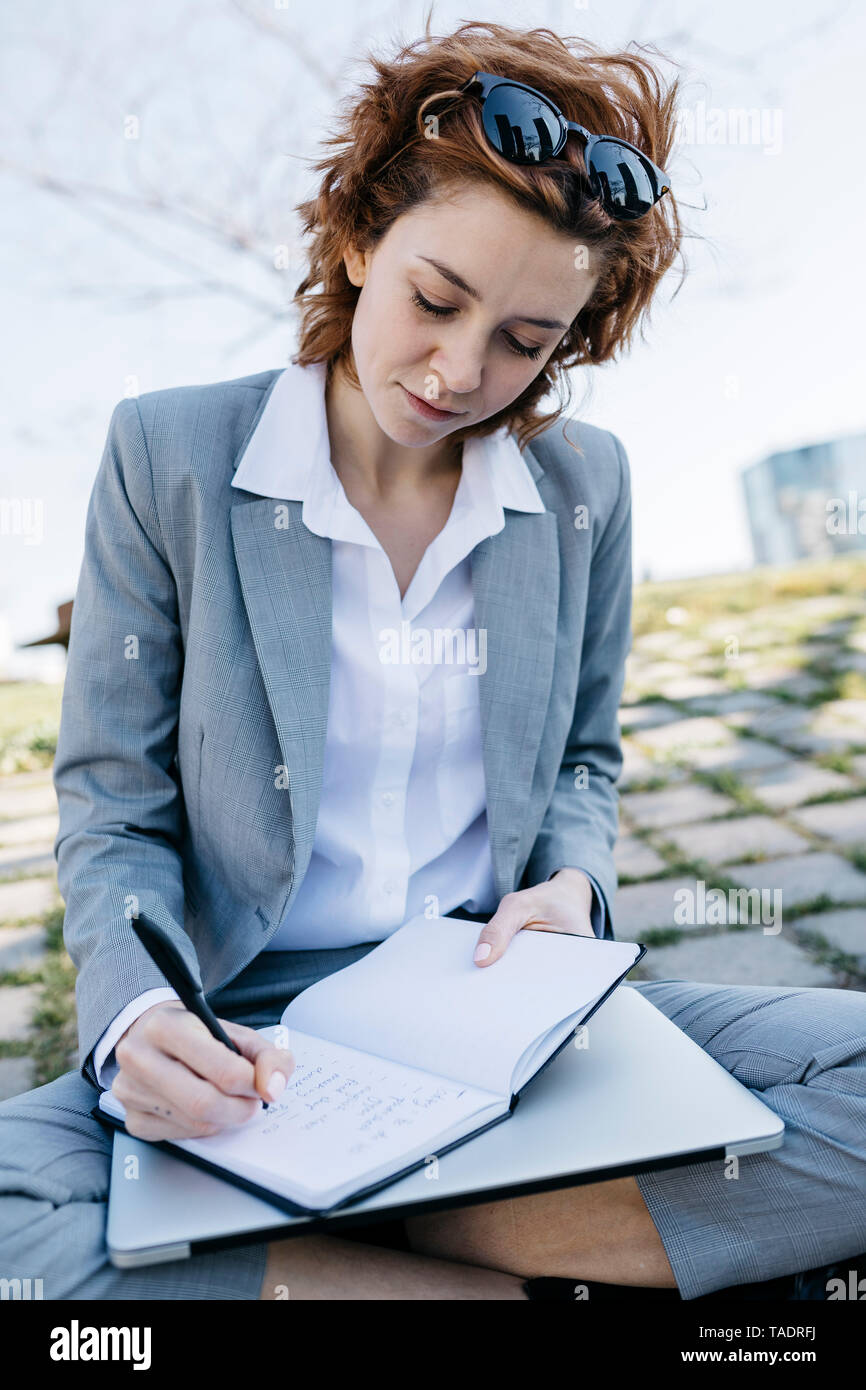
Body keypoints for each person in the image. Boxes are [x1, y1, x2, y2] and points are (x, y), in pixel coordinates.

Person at [1, 20, 864, 1303]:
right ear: (358, 240)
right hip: (253, 1025)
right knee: (21, 1217)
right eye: (434, 300)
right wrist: (137, 1016)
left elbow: (582, 752)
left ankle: (413, 1228)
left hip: (500, 1014)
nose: (462, 372)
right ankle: (507, 1277)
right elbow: (110, 797)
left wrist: (571, 886)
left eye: (525, 340)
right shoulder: (168, 453)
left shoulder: (583, 487)